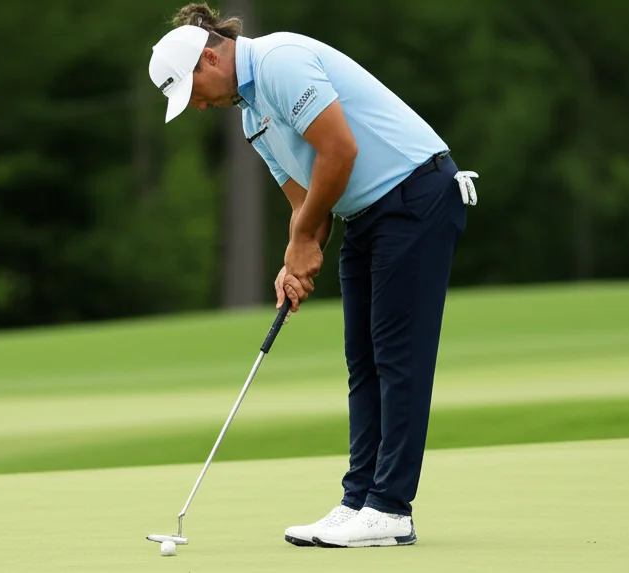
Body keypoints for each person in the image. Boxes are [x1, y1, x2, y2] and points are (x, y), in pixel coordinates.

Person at [148, 2, 477, 548]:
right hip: (367, 215)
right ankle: (359, 500)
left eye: (194, 93)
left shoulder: (280, 60)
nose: (200, 108)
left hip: (416, 196)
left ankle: (391, 509)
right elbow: (307, 205)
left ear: (209, 58)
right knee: (362, 360)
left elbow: (339, 150)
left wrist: (303, 241)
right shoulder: (254, 115)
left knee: (397, 357)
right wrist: (294, 257)